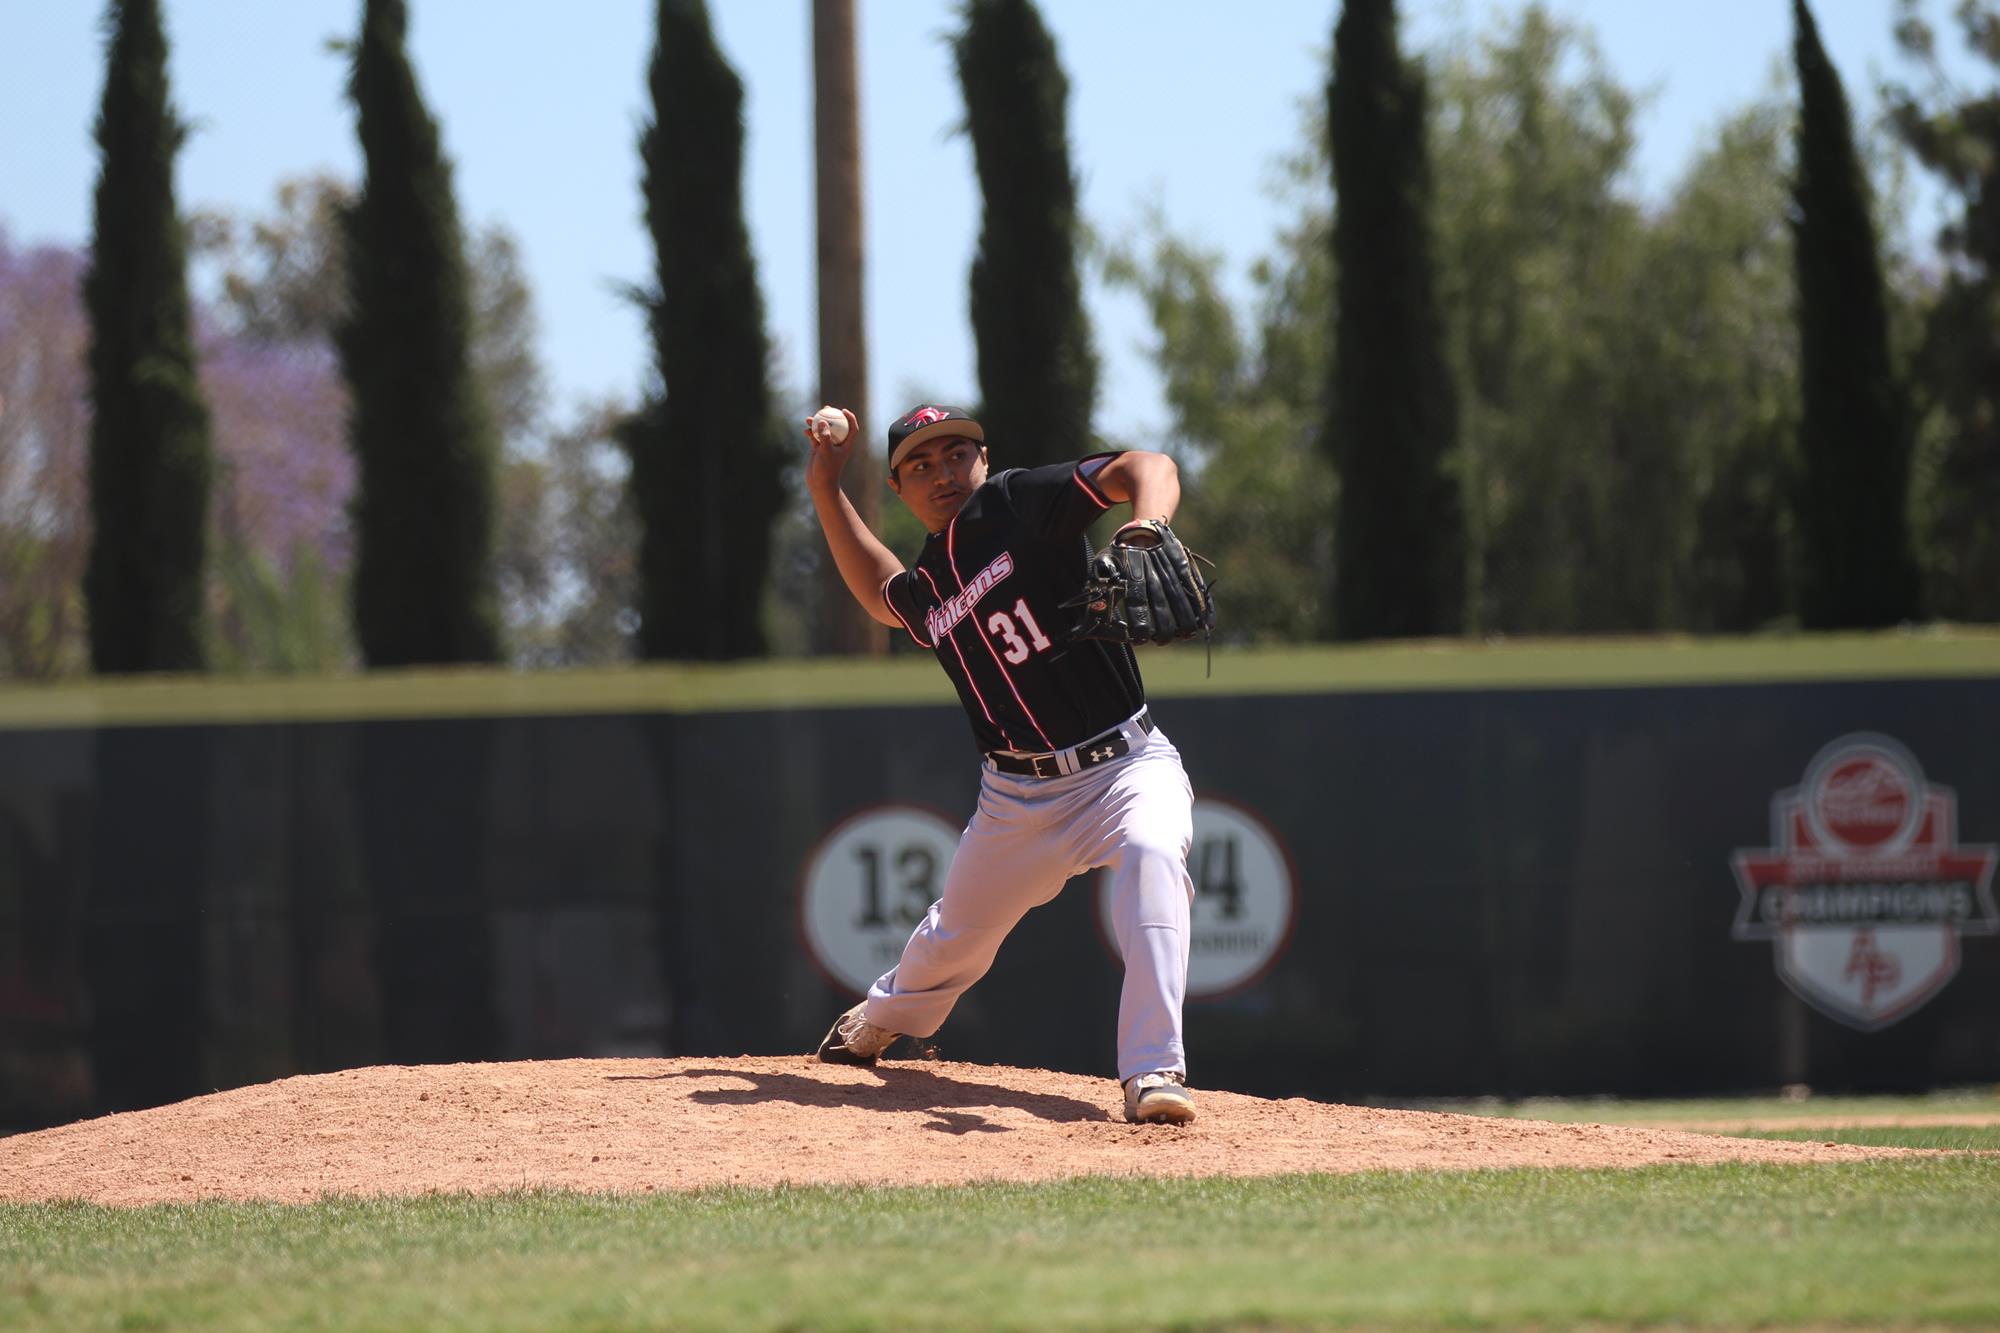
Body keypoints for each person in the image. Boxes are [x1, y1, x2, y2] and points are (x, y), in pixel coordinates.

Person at [803, 402, 1199, 1125]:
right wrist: (826, 489)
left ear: (983, 460)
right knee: (957, 934)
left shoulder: (1022, 501)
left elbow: (1150, 468)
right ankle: (881, 1015)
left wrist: (1146, 523)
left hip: (1125, 767)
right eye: (919, 465)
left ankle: (1153, 1069)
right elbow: (879, 592)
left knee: (1152, 854)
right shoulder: (930, 584)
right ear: (897, 488)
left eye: (956, 454)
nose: (942, 473)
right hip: (1017, 798)